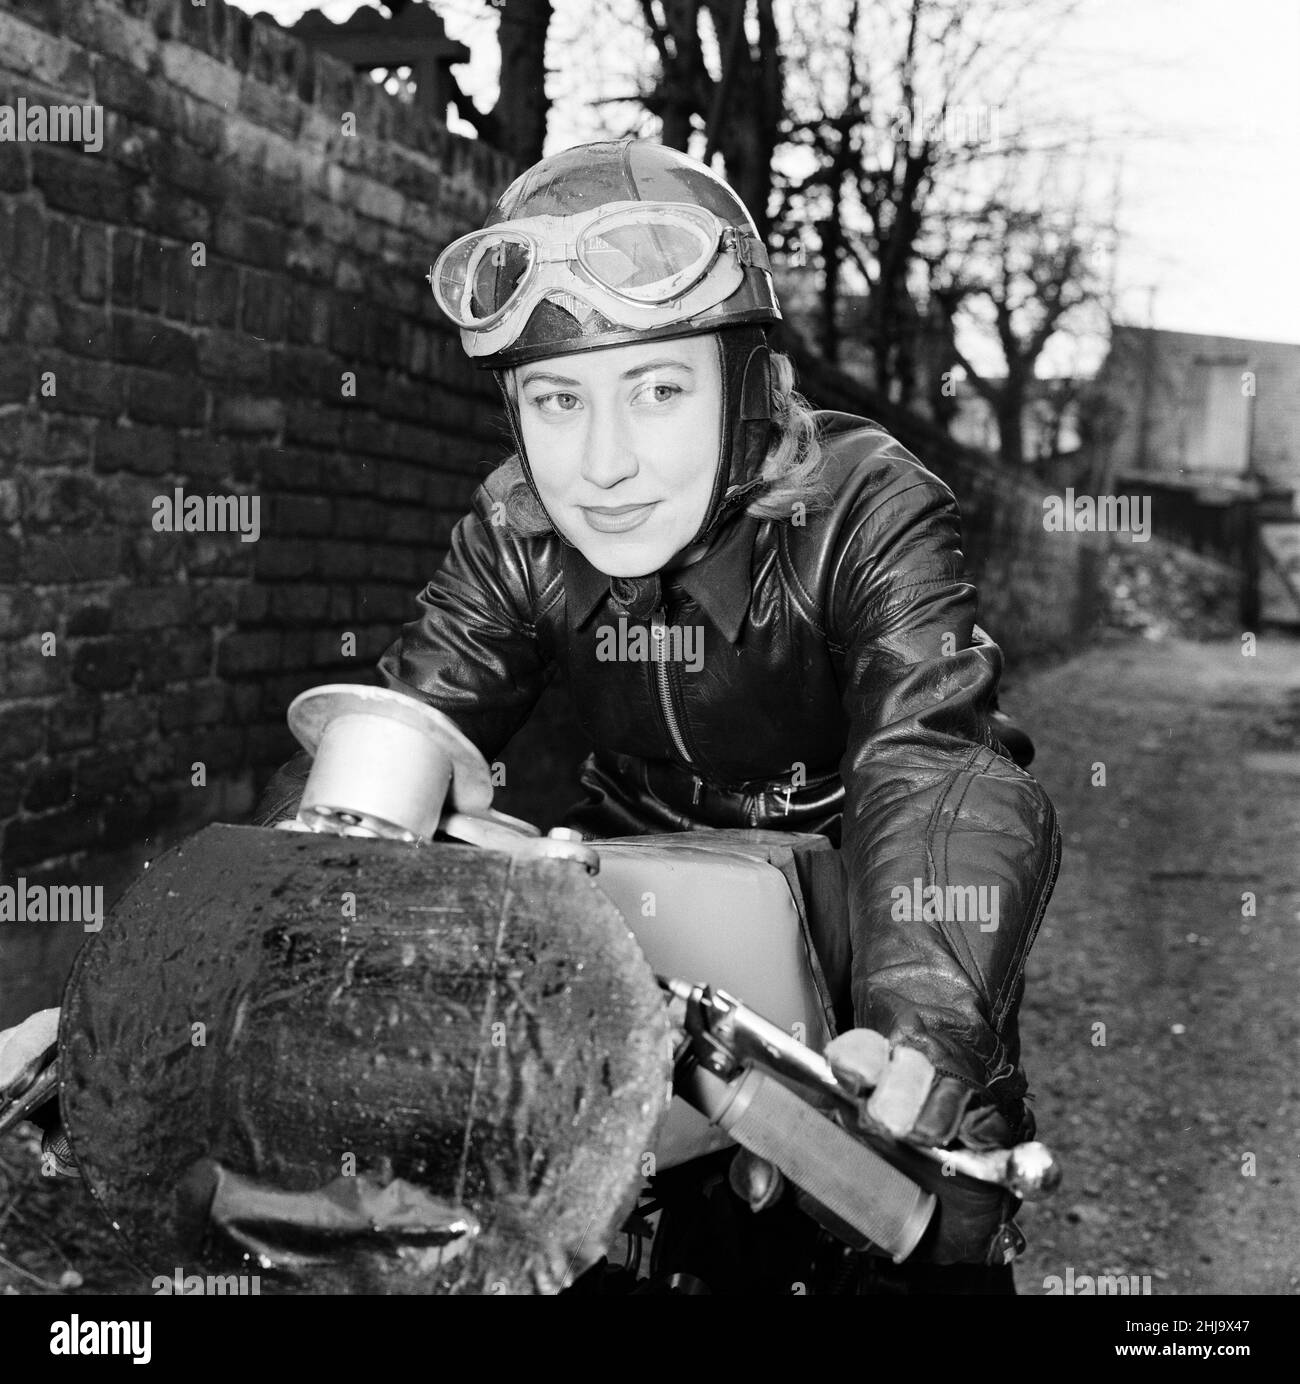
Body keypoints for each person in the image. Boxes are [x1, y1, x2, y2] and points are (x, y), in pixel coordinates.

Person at [252, 137, 1061, 1293]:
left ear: (747, 388)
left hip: (873, 902)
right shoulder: (515, 532)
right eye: (556, 398)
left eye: (661, 388)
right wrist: (255, 948)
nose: (605, 463)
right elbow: (399, 733)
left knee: (923, 1214)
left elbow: (931, 761)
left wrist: (925, 1009)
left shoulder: (862, 502)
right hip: (642, 890)